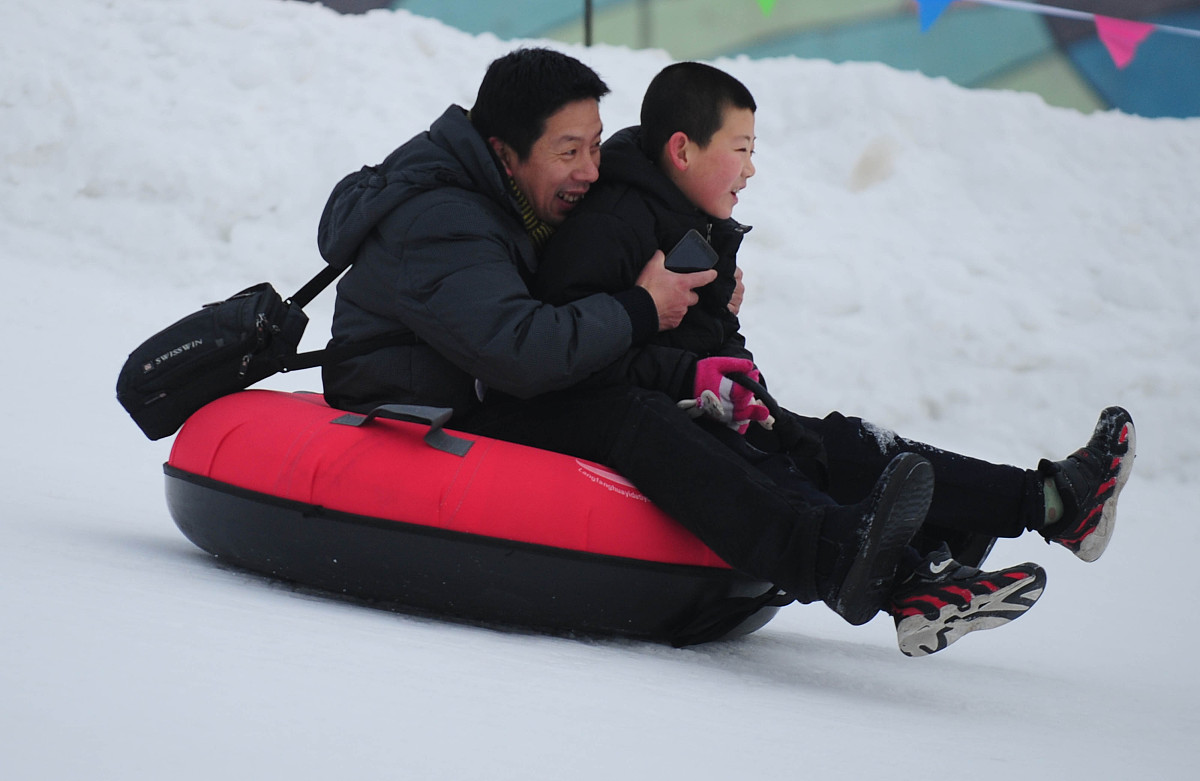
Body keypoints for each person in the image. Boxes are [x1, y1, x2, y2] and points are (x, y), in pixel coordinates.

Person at [319, 47, 950, 649]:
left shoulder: (510, 199)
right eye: (570, 151)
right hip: (432, 403)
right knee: (630, 415)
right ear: (503, 154)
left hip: (483, 383)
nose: (592, 171)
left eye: (595, 146)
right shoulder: (442, 221)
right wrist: (642, 306)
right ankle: (828, 555)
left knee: (702, 408)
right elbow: (521, 348)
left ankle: (899, 540)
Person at [534, 61, 1136, 656]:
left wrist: (740, 380)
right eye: (740, 149)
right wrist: (691, 375)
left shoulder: (688, 216)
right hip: (647, 419)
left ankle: (1053, 504)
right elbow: (575, 356)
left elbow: (708, 337)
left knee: (836, 444)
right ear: (682, 151)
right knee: (785, 468)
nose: (750, 168)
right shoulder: (611, 225)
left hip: (694, 403)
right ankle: (918, 577)